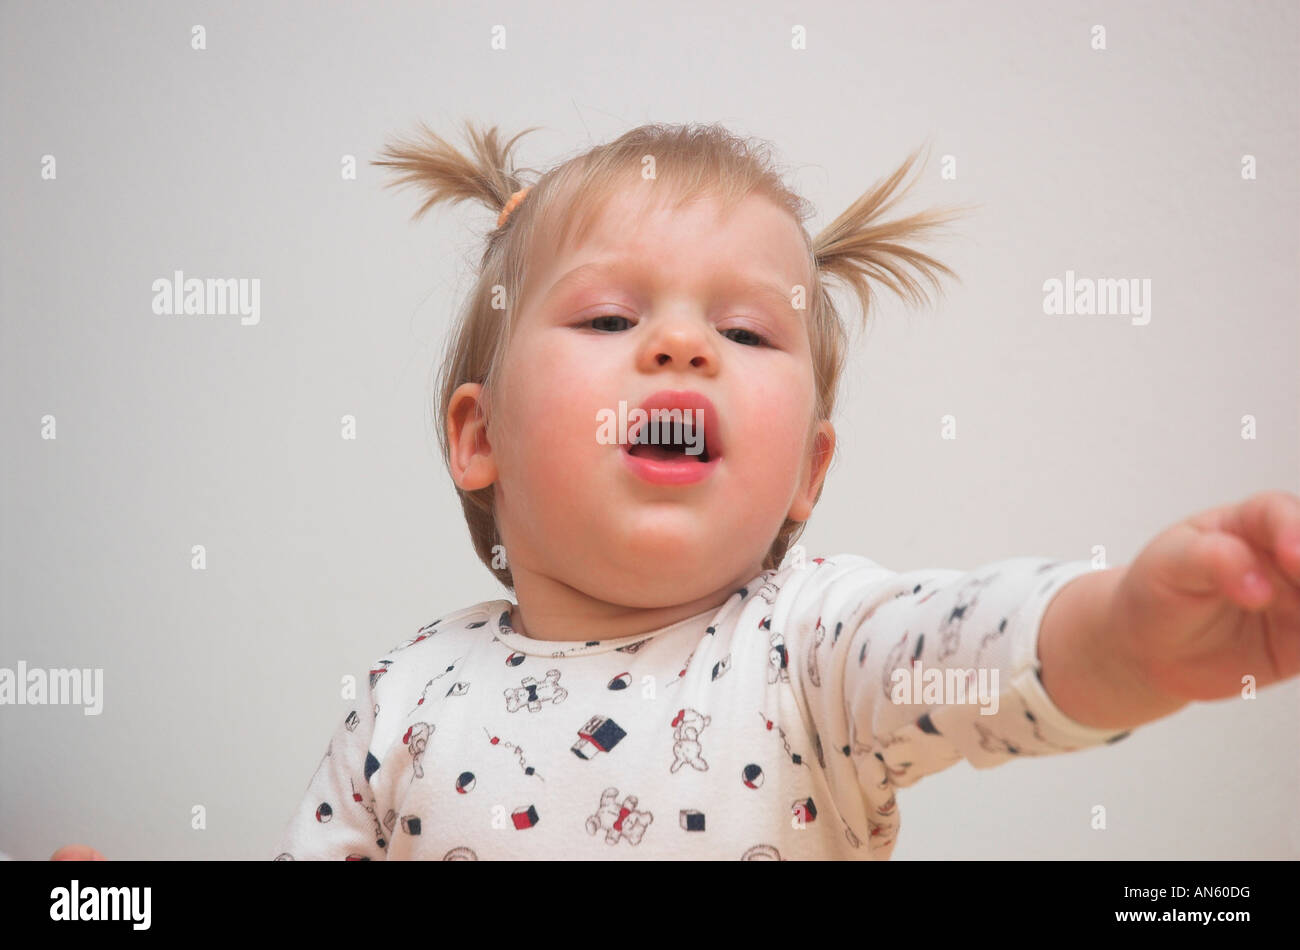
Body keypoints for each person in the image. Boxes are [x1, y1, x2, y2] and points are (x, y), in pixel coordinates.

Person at [52, 120, 1300, 861]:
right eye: (608, 313)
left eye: (750, 336)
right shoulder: (406, 695)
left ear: (807, 470)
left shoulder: (812, 649)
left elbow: (976, 652)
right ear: (476, 438)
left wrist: (1133, 633)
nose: (683, 346)